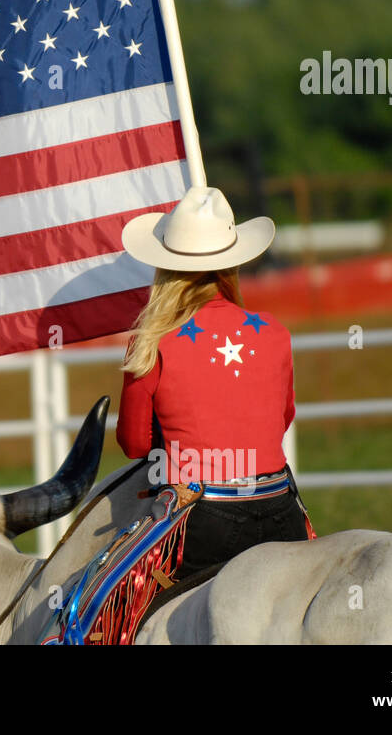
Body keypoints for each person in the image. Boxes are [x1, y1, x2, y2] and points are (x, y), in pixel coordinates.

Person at [118, 185, 314, 584]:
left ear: (164, 269)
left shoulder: (152, 339)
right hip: (280, 510)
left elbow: (135, 443)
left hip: (200, 521)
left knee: (110, 607)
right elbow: (280, 418)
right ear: (233, 263)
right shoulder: (275, 332)